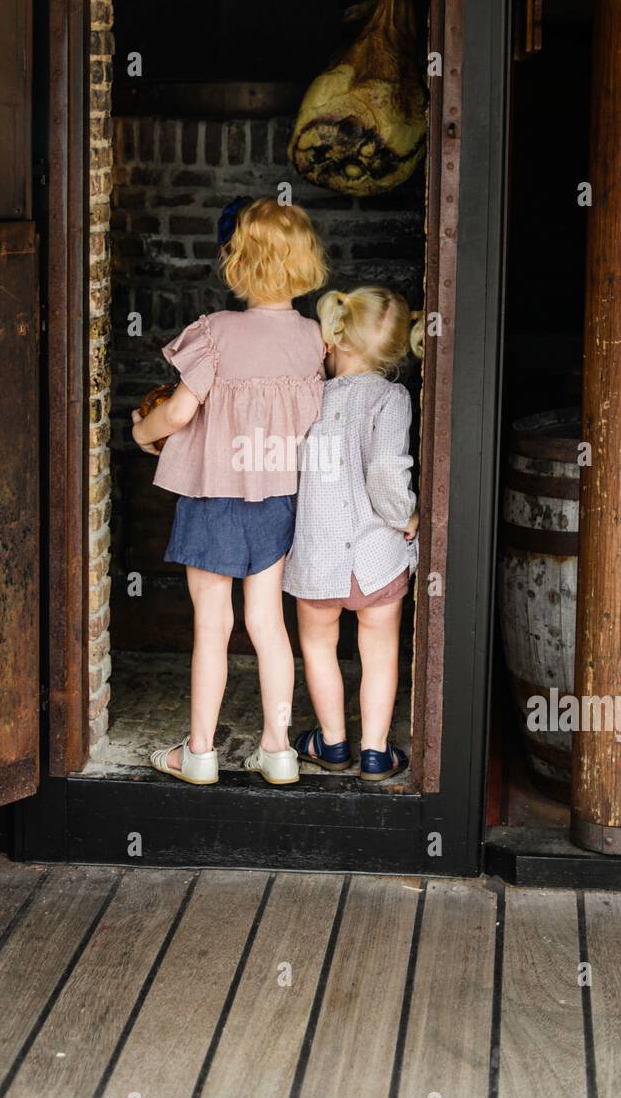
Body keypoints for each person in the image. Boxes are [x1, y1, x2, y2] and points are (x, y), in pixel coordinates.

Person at [133, 198, 328, 786]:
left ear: (235, 263)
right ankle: (278, 750)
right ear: (304, 264)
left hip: (214, 496)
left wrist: (143, 432)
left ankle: (198, 753)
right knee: (269, 624)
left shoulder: (215, 334)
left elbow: (181, 411)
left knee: (212, 626)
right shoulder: (314, 339)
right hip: (278, 501)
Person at [284, 286, 422, 781]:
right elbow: (386, 474)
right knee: (380, 651)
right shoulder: (391, 398)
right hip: (376, 556)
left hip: (317, 557)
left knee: (319, 647)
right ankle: (375, 752)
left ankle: (333, 744)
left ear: (335, 335)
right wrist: (407, 516)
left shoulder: (307, 396)